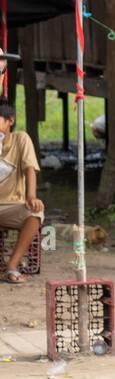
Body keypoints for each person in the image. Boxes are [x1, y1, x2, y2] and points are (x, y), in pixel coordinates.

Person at [0, 102, 42, 285]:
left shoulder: (21, 139)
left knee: (35, 213)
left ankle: (11, 266)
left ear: (10, 121)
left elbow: (30, 169)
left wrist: (31, 196)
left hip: (10, 205)